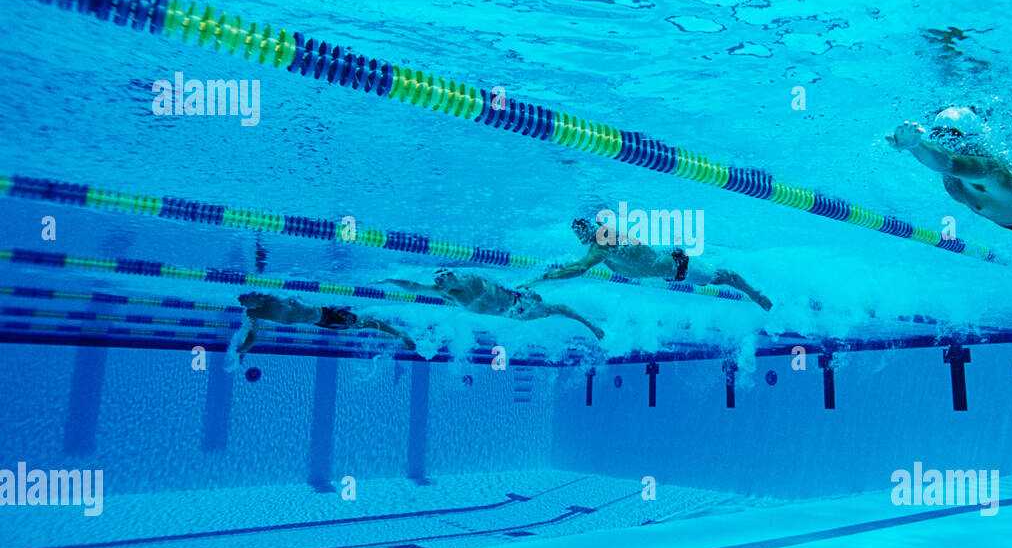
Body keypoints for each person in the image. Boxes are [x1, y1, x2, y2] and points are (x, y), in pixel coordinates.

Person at [887, 112, 1012, 276]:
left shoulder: (992, 171)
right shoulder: (954, 178)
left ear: (972, 138)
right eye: (939, 135)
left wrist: (916, 146)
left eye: (953, 136)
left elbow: (950, 162)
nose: (946, 142)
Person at [523, 217, 773, 310]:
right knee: (717, 273)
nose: (583, 237)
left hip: (679, 266)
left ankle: (756, 293)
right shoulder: (600, 248)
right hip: (668, 270)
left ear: (594, 227)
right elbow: (576, 264)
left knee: (723, 276)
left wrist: (540, 279)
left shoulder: (605, 240)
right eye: (580, 234)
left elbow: (578, 268)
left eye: (584, 231)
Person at [383, 271, 604, 340]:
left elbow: (501, 283)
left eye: (443, 275)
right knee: (557, 309)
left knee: (559, 308)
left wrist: (523, 290)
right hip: (513, 312)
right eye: (438, 278)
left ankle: (591, 324)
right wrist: (390, 280)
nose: (440, 280)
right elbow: (413, 286)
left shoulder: (470, 277)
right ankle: (592, 326)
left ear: (451, 274)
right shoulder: (446, 292)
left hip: (517, 301)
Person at [231, 292, 416, 365]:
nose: (242, 301)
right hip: (321, 322)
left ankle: (399, 333)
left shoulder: (271, 297)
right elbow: (253, 336)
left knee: (365, 323)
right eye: (242, 300)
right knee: (362, 324)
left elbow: (295, 295)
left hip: (327, 311)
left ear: (254, 295)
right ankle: (397, 330)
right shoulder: (253, 314)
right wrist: (242, 352)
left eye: (245, 297)